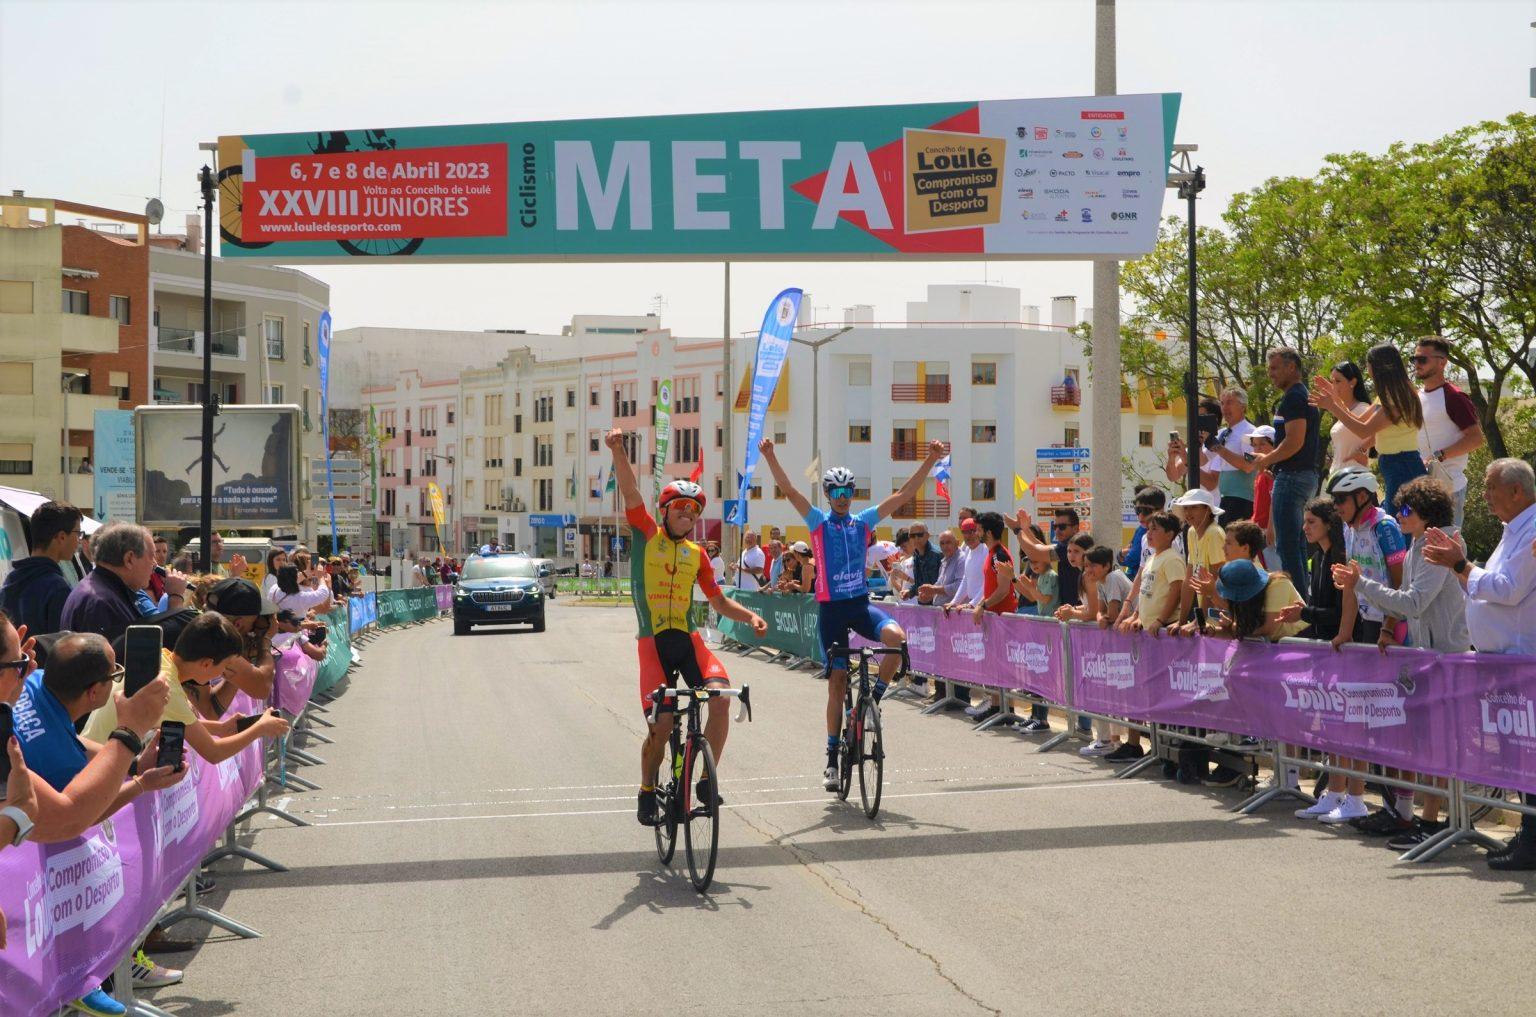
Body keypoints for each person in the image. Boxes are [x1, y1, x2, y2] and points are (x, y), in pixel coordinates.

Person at [7, 624, 186, 1011]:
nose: (29, 663)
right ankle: (74, 977)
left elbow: (77, 745)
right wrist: (132, 736)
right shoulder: (51, 757)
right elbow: (74, 816)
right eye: (18, 660)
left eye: (29, 658)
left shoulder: (36, 684)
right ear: (95, 692)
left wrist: (132, 762)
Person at [757, 437, 943, 792]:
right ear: (828, 494)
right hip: (831, 612)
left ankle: (872, 698)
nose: (842, 497)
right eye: (836, 491)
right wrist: (770, 456)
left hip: (859, 605)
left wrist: (931, 460)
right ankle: (830, 759)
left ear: (852, 493)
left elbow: (903, 494)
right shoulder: (817, 522)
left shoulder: (863, 521)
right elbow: (789, 489)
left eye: (847, 491)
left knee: (896, 640)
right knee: (837, 682)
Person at [605, 431, 766, 826]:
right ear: (666, 511)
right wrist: (618, 451)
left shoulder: (697, 555)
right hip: (653, 645)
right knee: (660, 727)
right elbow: (629, 493)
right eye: (680, 508)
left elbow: (717, 600)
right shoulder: (647, 535)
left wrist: (749, 616)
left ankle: (705, 778)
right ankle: (646, 788)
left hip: (689, 641)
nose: (688, 516)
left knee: (722, 698)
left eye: (694, 512)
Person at [1333, 475, 1468, 849]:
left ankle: (1431, 822)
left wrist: (1361, 585)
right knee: (1418, 739)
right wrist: (1388, 626)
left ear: (1426, 513)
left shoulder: (1440, 542)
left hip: (1447, 655)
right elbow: (1403, 599)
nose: (1399, 514)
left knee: (1440, 743)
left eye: (1406, 509)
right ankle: (1408, 815)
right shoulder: (1416, 543)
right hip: (1426, 653)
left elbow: (1413, 602)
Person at [1424, 458, 1536, 870]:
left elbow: (1507, 590)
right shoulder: (1515, 530)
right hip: (1505, 664)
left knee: (1529, 756)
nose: (1484, 495)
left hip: (1522, 663)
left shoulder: (1533, 530)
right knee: (1521, 759)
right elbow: (1490, 585)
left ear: (1516, 492)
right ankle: (1530, 837)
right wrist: (1461, 569)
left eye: (1490, 488)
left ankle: (1532, 841)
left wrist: (1460, 566)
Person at [81, 611, 291, 761]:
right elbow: (214, 753)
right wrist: (259, 729)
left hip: (89, 756)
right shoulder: (167, 688)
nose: (223, 674)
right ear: (207, 663)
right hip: (93, 767)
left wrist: (221, 728)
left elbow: (164, 720)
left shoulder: (162, 659)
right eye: (225, 666)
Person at [1312, 344, 1428, 512]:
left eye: (1369, 365)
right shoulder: (1387, 394)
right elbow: (1357, 420)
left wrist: (1333, 406)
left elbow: (1364, 430)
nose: (1368, 370)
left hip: (1402, 464)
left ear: (1379, 367)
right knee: (1401, 519)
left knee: (1403, 520)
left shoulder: (1397, 397)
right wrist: (1335, 399)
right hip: (1394, 463)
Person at [1248, 347, 1321, 595]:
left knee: (1287, 547)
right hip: (1298, 475)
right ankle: (1303, 606)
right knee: (1297, 546)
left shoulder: (1294, 397)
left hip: (1292, 477)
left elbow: (1294, 441)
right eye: (1269, 369)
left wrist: (1267, 459)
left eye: (1275, 368)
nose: (1271, 375)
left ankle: (1298, 610)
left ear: (1292, 367)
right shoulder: (1299, 396)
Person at [1060, 544, 1132, 758]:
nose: (1088, 570)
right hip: (1120, 641)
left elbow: (1110, 613)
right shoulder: (1101, 581)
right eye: (1087, 565)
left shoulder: (1111, 579)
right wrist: (1101, 617)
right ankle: (1111, 740)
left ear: (1107, 565)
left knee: (1121, 691)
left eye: (1093, 566)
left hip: (1131, 640)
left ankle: (1114, 741)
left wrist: (1100, 617)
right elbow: (1101, 614)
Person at [61, 523, 186, 645]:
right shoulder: (100, 601)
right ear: (129, 559)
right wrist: (175, 599)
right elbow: (141, 652)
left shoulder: (104, 590)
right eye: (151, 556)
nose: (154, 565)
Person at [1411, 336, 1484, 528]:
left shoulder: (1455, 396)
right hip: (1421, 489)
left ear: (1442, 362)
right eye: (1414, 359)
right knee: (1420, 548)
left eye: (1422, 359)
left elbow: (1476, 439)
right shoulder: (1417, 396)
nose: (1417, 364)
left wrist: (1439, 456)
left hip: (1450, 489)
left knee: (1447, 545)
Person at [1, 500, 83, 637]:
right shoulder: (57, 587)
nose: (79, 540)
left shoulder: (12, 579)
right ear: (61, 537)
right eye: (78, 533)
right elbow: (61, 648)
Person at [1206, 388, 1257, 520]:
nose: (1224, 408)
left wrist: (1219, 449)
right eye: (1222, 403)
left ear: (1243, 406)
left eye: (1229, 402)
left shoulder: (1250, 432)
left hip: (1242, 500)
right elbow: (1203, 459)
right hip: (1225, 498)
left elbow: (1249, 465)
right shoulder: (1223, 432)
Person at [1321, 362, 1374, 471]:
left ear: (1353, 382)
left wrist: (1362, 451)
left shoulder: (1363, 409)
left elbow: (1378, 433)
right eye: (1332, 381)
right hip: (1337, 476)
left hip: (1355, 478)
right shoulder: (1342, 411)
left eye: (1338, 381)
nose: (1333, 386)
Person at [916, 529, 964, 606]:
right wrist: (928, 595)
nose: (945, 546)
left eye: (948, 542)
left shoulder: (962, 559)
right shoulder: (945, 560)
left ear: (957, 543)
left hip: (954, 612)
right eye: (942, 543)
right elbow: (939, 583)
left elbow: (959, 586)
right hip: (942, 612)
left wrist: (933, 590)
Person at [902, 525, 942, 601]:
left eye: (920, 535)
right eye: (912, 536)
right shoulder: (916, 555)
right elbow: (919, 583)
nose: (916, 538)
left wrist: (932, 594)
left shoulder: (938, 554)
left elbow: (945, 583)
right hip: (924, 605)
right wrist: (910, 592)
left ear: (927, 536)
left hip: (938, 605)